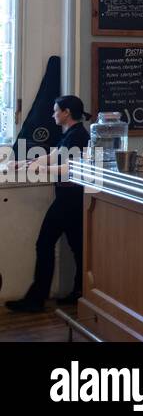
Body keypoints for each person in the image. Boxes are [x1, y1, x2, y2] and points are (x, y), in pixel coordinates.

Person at [4, 96, 89, 313]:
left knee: (45, 243)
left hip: (70, 199)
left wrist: (41, 170)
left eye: (55, 111)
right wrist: (22, 164)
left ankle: (37, 299)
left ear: (66, 113)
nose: (52, 115)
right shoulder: (70, 134)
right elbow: (52, 156)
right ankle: (79, 293)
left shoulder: (78, 136)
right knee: (78, 247)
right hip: (69, 198)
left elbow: (71, 167)